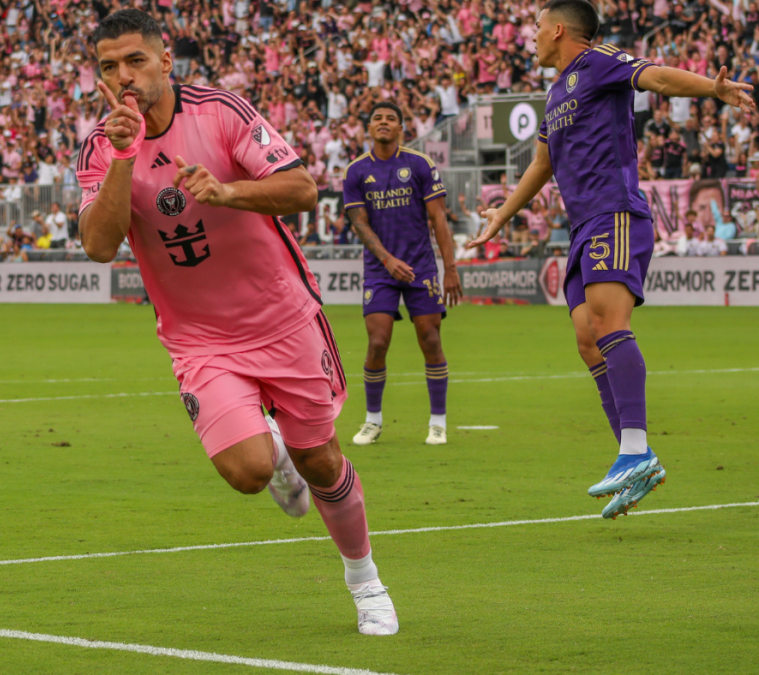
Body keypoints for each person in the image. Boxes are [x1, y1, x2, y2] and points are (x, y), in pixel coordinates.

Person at [77, 9, 398, 636]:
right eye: (109, 68)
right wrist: (122, 155)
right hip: (200, 339)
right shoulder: (99, 145)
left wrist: (229, 192)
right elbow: (99, 244)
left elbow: (302, 189)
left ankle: (366, 582)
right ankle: (273, 451)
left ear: (164, 60)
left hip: (282, 319)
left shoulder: (220, 111)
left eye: (135, 61)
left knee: (322, 462)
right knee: (247, 472)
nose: (124, 78)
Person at [467, 0, 756, 519]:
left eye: (536, 27)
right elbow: (541, 164)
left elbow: (656, 78)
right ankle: (634, 456)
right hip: (583, 226)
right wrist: (502, 215)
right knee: (587, 338)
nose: (531, 36)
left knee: (608, 324)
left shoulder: (598, 60)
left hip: (614, 213)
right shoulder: (555, 93)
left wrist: (711, 90)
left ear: (559, 30)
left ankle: (636, 450)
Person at [344, 102, 464, 448]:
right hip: (380, 269)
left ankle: (438, 423)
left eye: (390, 119)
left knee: (431, 340)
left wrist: (450, 268)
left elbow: (439, 218)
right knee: (377, 342)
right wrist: (387, 259)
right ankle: (373, 420)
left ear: (401, 128)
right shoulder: (356, 171)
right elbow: (359, 223)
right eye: (377, 118)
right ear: (369, 128)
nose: (383, 122)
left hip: (421, 267)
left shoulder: (420, 164)